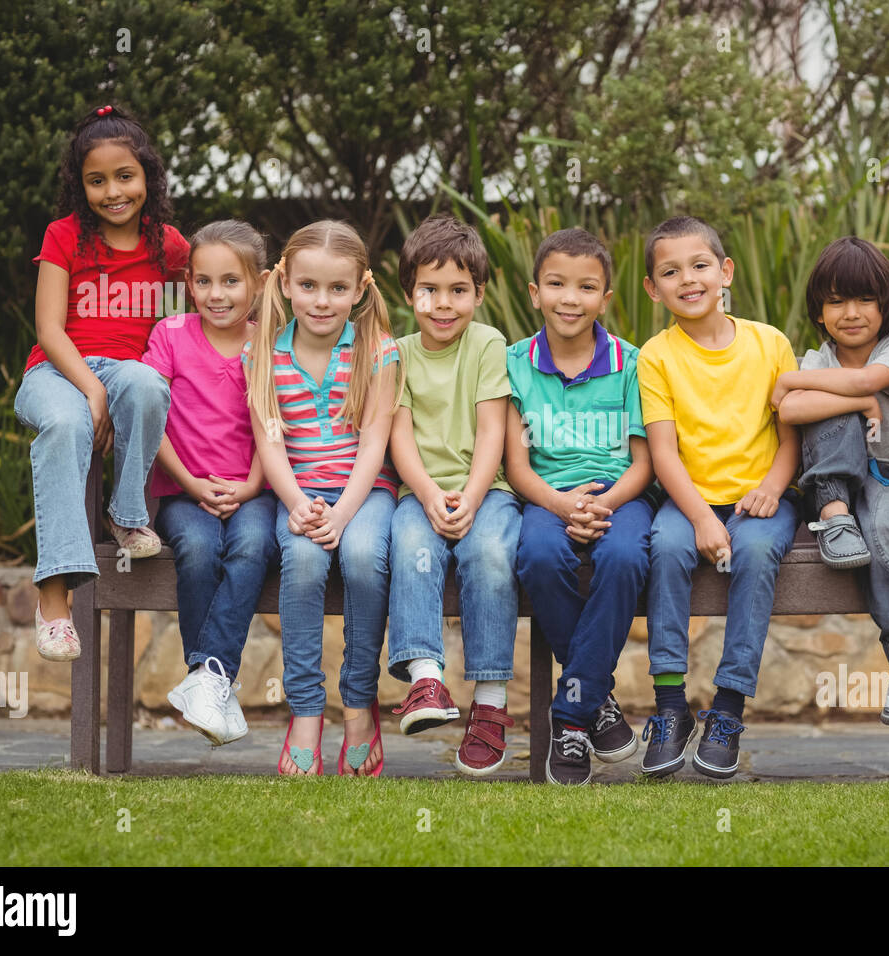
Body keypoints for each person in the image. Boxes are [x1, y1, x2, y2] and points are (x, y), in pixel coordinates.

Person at [14, 104, 188, 663]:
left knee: (145, 381)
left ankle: (127, 514)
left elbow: (212, 304)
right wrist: (91, 389)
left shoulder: (170, 246)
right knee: (65, 423)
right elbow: (48, 327)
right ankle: (54, 600)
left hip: (123, 373)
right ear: (79, 185)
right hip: (56, 370)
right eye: (96, 180)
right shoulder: (64, 236)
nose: (112, 191)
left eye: (124, 176)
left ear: (148, 178)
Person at [637, 216, 800, 780]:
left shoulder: (770, 343)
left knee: (755, 554)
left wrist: (772, 489)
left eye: (700, 265)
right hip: (688, 501)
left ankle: (728, 710)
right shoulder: (656, 356)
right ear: (652, 289)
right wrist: (703, 518)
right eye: (670, 271)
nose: (688, 279)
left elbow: (790, 438)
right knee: (665, 546)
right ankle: (669, 707)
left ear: (724, 271)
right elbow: (663, 454)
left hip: (761, 499)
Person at [245, 221, 401, 777]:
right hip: (298, 491)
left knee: (362, 557)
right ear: (285, 283)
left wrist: (342, 511)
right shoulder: (262, 352)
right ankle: (306, 712)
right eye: (308, 285)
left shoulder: (377, 351)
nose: (321, 300)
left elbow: (376, 444)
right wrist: (295, 502)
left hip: (365, 493)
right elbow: (270, 441)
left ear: (360, 289)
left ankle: (359, 706)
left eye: (338, 288)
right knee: (305, 560)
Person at [504, 228, 654, 785]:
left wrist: (602, 503)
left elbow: (643, 464)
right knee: (540, 557)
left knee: (623, 561)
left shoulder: (631, 363)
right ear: (534, 292)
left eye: (586, 286)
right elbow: (518, 468)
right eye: (556, 284)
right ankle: (599, 701)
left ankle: (569, 719)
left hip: (620, 495)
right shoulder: (515, 363)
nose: (571, 298)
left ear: (606, 298)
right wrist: (563, 506)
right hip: (547, 497)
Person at [771, 237, 889, 726]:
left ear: (886, 306)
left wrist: (802, 386)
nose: (852, 312)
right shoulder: (816, 357)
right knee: (837, 422)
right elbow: (793, 410)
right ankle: (835, 516)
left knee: (885, 526)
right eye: (836, 300)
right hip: (834, 495)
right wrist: (856, 405)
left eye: (865, 299)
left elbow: (864, 382)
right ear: (819, 312)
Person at [385, 214, 522, 777]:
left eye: (458, 291)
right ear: (409, 293)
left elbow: (492, 429)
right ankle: (425, 679)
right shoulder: (397, 354)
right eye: (430, 290)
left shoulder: (488, 343)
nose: (444, 304)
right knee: (411, 547)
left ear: (479, 294)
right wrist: (425, 493)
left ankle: (489, 704)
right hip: (420, 493)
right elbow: (398, 435)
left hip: (487, 490)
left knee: (489, 554)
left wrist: (469, 494)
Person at [143, 221, 278, 746]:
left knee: (251, 545)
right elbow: (149, 422)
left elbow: (275, 422)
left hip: (253, 490)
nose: (215, 294)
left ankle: (207, 679)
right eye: (203, 281)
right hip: (181, 490)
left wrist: (248, 486)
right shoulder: (171, 336)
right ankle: (214, 679)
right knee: (198, 549)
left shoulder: (266, 345)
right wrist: (193, 483)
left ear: (260, 283)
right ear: (188, 281)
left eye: (230, 282)